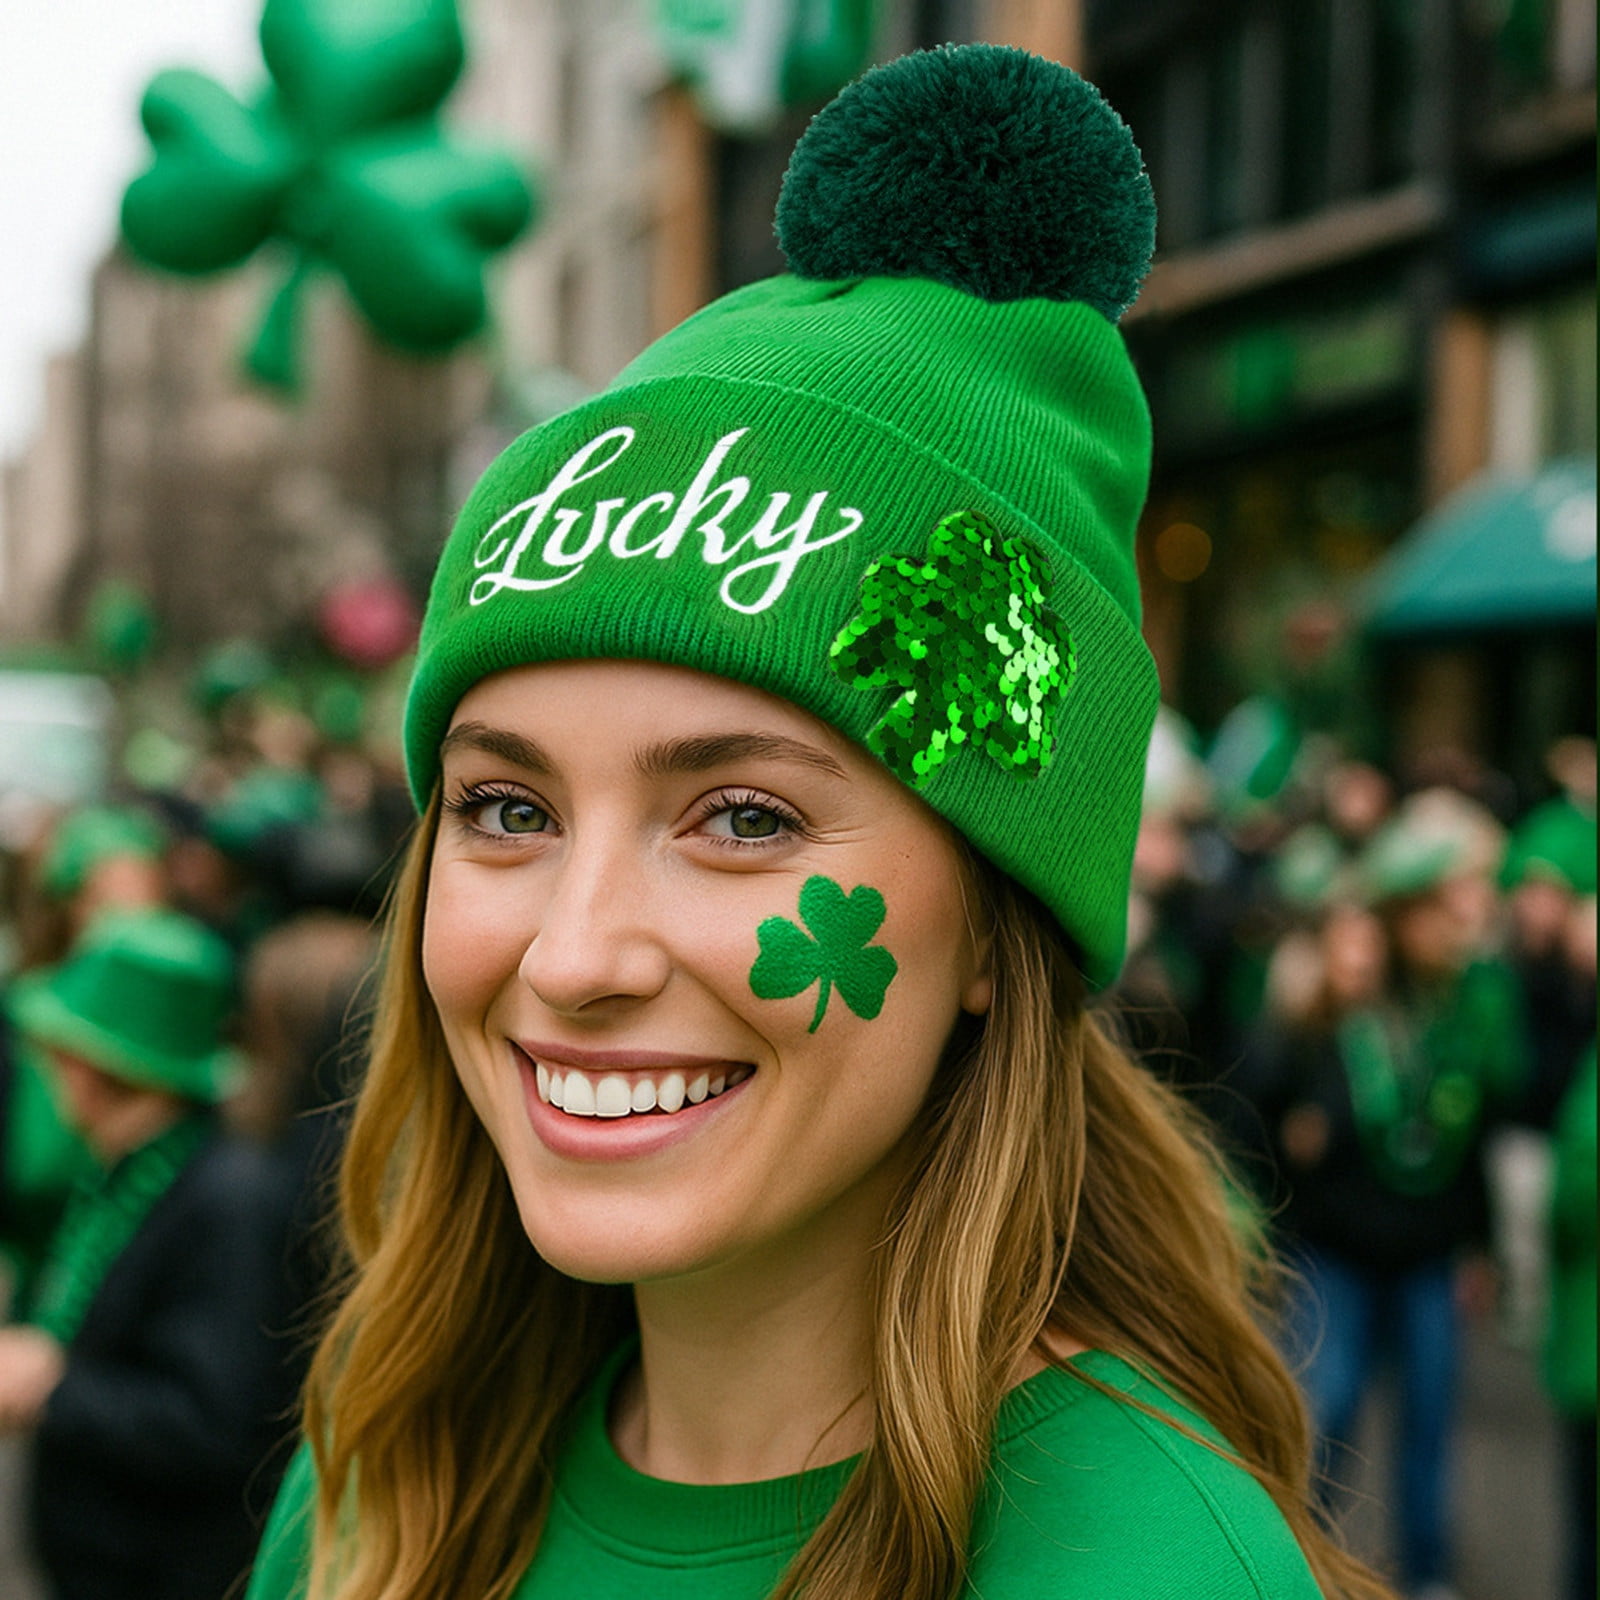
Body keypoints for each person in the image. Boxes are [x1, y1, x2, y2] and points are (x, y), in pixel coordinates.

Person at [246, 45, 1396, 1600]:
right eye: (507, 807)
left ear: (994, 922)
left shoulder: (1139, 1566)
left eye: (738, 818)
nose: (575, 954)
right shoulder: (386, 1464)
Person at [0, 907, 293, 1600]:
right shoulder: (127, 1164)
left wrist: (53, 1388)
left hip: (161, 1571)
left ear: (93, 1066)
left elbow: (211, 1423)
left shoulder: (226, 1203)